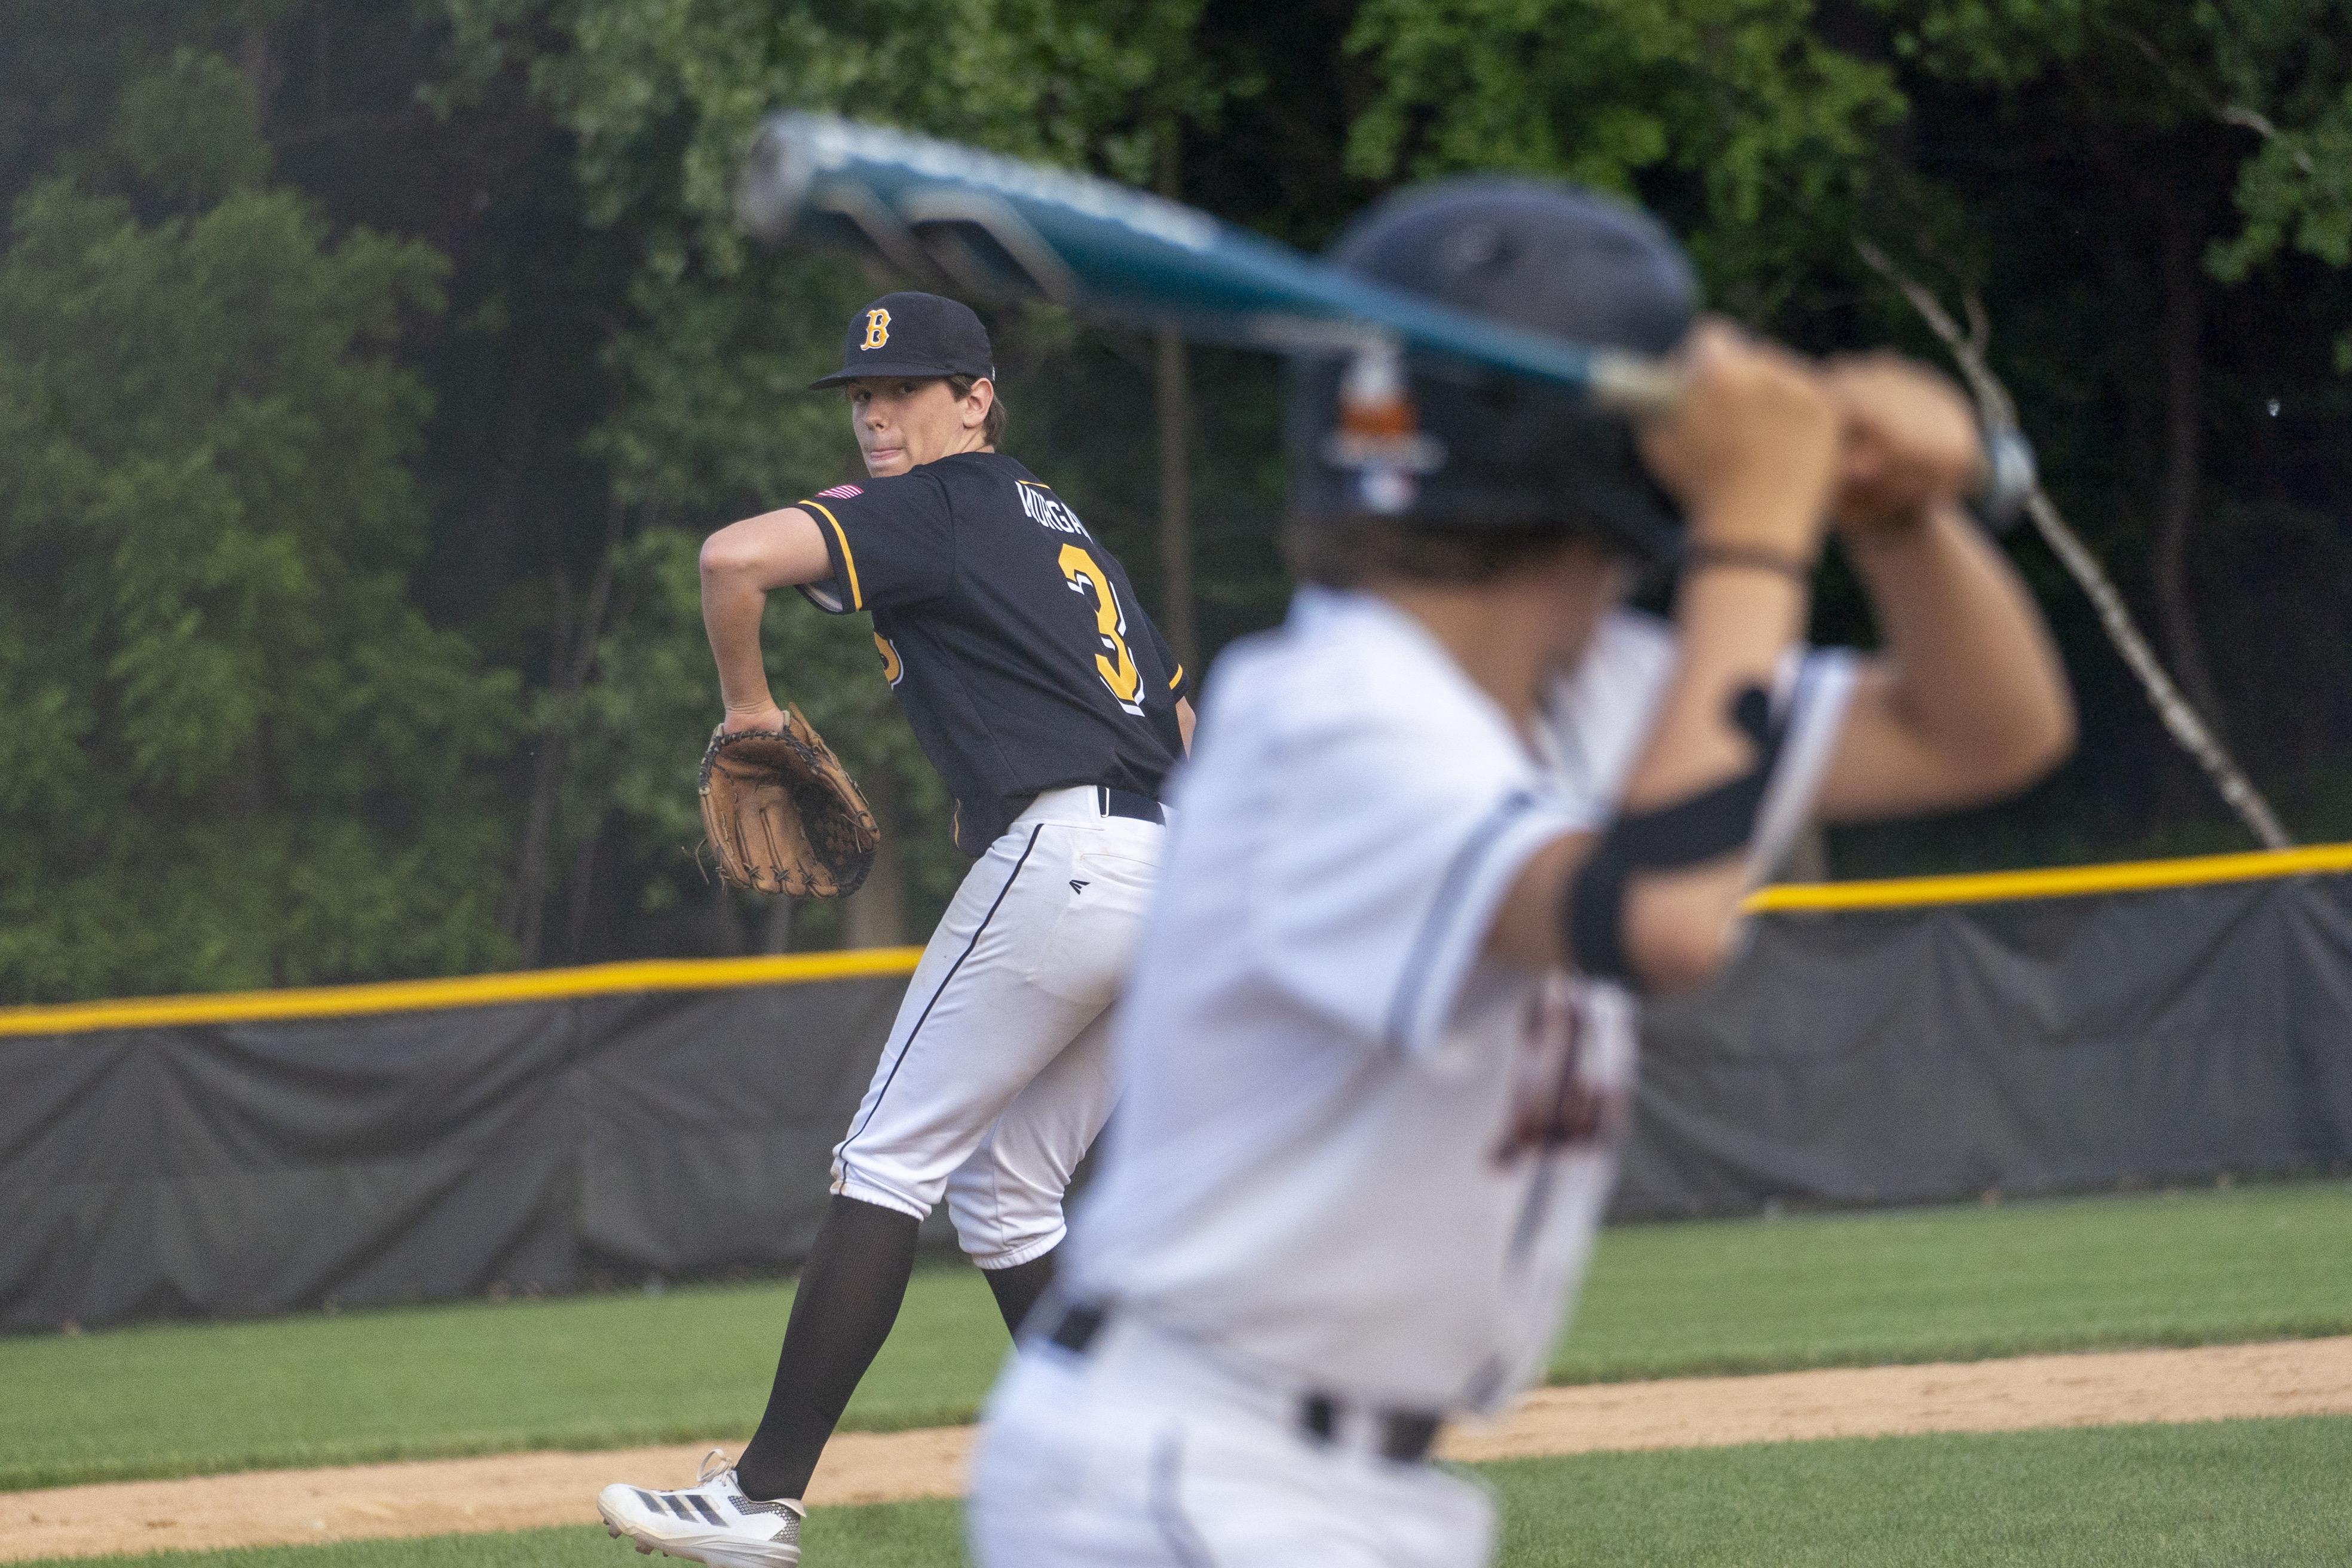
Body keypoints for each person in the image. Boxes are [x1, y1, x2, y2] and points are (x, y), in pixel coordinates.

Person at [966, 179, 2074, 1567]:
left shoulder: (1593, 692)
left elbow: (1985, 729)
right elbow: (1657, 919)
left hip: (1332, 1486)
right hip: (1195, 1468)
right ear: (1605, 467)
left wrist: (1895, 517)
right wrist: (1759, 520)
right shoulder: (1332, 713)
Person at [598, 290, 1195, 1568]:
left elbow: (730, 561)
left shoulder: (940, 504)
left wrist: (750, 711)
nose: (877, 410)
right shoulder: (1055, 523)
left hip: (1062, 857)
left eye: (906, 387)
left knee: (888, 1158)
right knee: (1012, 1192)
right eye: (863, 393)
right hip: (1166, 866)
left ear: (977, 397)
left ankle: (761, 1493)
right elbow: (1181, 727)